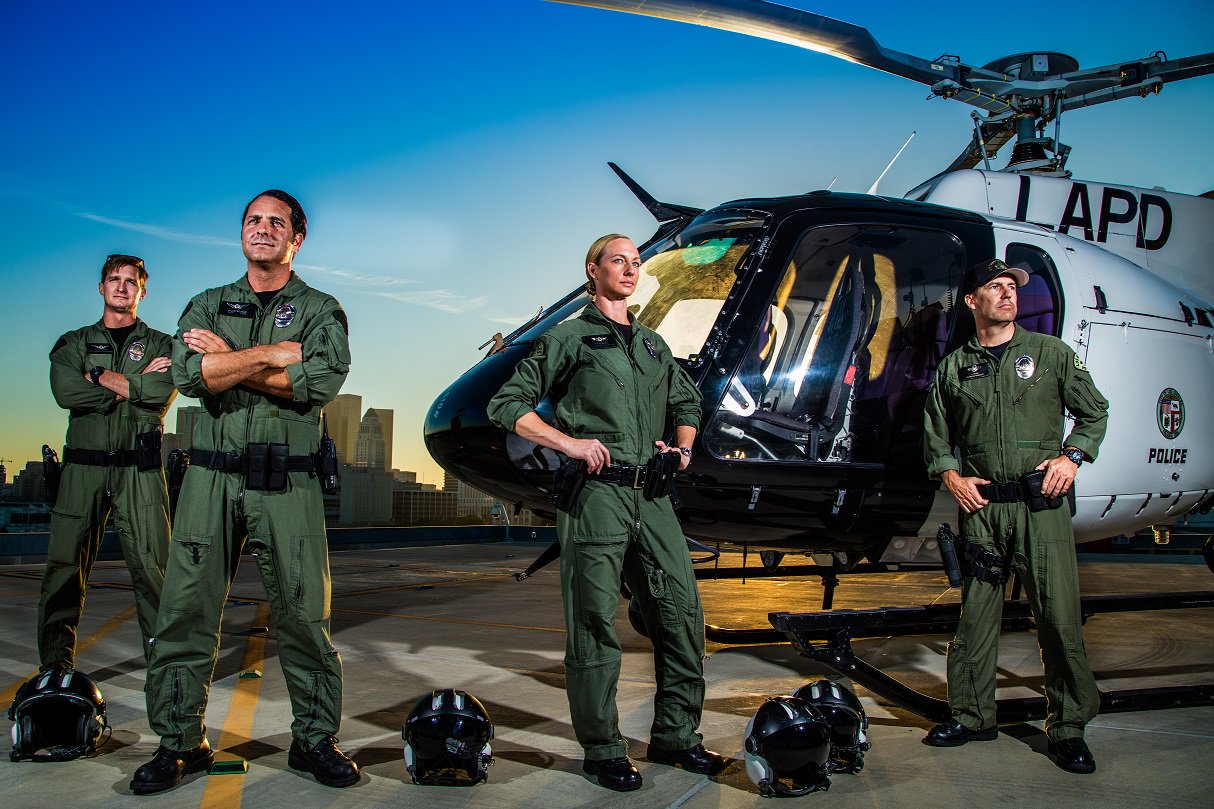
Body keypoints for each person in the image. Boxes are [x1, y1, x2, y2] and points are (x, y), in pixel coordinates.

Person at [131, 190, 356, 794]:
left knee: (305, 613)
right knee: (185, 611)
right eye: (253, 220)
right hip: (209, 479)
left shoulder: (321, 309)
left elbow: (318, 382)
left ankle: (313, 741)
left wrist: (229, 361)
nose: (262, 229)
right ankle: (179, 743)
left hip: (287, 480)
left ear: (296, 239)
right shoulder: (206, 303)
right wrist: (271, 357)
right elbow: (189, 375)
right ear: (241, 233)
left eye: (276, 222)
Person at [488, 234, 725, 791]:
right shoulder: (568, 338)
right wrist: (568, 443)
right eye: (618, 260)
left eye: (636, 261)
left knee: (682, 615)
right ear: (592, 270)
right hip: (595, 497)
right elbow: (507, 405)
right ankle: (602, 748)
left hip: (653, 496)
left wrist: (682, 448)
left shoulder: (653, 345)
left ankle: (676, 737)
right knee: (594, 623)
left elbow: (687, 403)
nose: (630, 269)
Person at [922, 258, 1109, 774]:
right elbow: (936, 436)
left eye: (1012, 287)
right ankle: (971, 715)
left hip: (1040, 508)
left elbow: (1094, 412)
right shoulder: (954, 367)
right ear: (971, 301)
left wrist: (1072, 457)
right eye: (995, 286)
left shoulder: (1050, 353)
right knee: (976, 620)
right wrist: (952, 477)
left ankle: (1068, 727)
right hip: (982, 510)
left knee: (1058, 620)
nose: (1008, 294)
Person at [40, 254, 175, 674]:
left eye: (131, 281)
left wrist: (96, 377)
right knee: (64, 570)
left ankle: (164, 671)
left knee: (155, 572)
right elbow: (66, 393)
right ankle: (55, 667)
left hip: (140, 472)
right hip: (83, 470)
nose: (121, 286)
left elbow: (160, 393)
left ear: (142, 292)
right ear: (101, 287)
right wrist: (131, 385)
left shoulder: (162, 345)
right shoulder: (73, 343)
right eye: (114, 279)